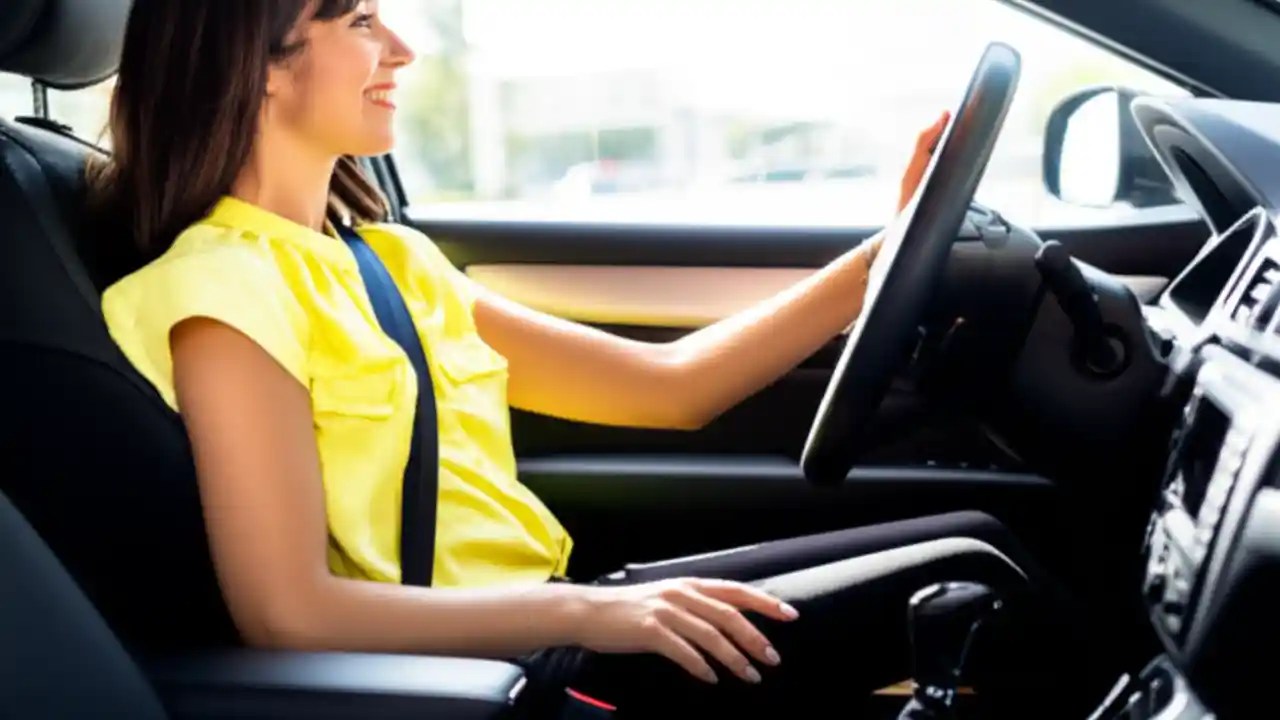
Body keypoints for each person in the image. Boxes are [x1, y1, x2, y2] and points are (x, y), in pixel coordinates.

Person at [95, 0, 1038, 716]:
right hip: (499, 672)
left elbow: (672, 389)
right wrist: (584, 616)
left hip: (564, 614)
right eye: (362, 20)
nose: (403, 50)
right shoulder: (220, 291)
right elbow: (288, 613)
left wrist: (888, 250)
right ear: (255, 63)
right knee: (975, 589)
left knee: (987, 538)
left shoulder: (390, 262)